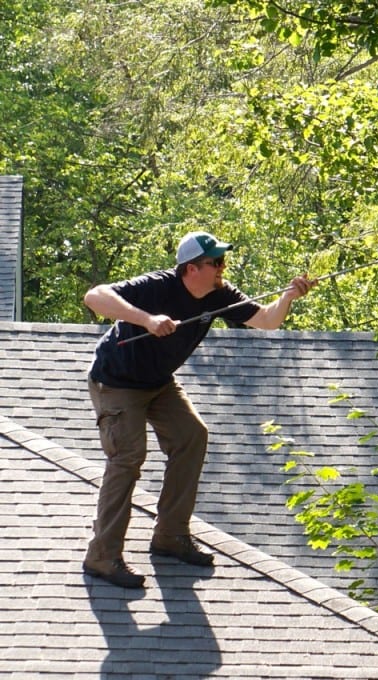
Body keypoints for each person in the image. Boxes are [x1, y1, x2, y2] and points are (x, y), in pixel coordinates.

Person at [81, 231, 316, 589]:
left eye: (223, 261)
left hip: (157, 383)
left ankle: (170, 536)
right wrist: (146, 319)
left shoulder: (220, 294)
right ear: (192, 269)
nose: (223, 268)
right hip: (116, 383)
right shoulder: (157, 286)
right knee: (128, 457)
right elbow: (94, 296)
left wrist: (289, 295)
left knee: (192, 436)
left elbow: (267, 321)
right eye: (217, 262)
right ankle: (102, 555)